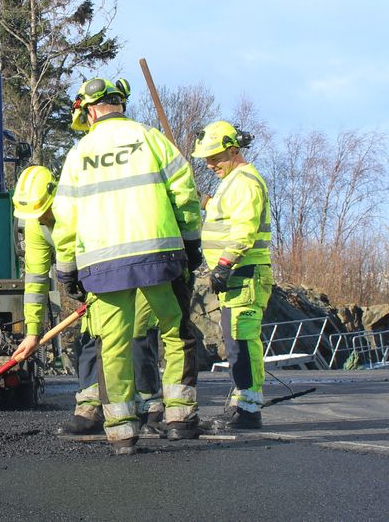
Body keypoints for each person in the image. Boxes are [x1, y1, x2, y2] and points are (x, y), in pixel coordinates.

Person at [51, 78, 205, 455]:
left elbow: (65, 221)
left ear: (88, 111)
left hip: (102, 265)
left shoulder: (78, 155)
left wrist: (67, 270)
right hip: (159, 256)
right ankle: (180, 419)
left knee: (113, 344)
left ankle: (121, 433)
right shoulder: (151, 139)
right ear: (120, 103)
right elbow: (184, 194)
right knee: (174, 331)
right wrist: (191, 242)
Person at [10, 166, 164, 436]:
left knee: (137, 336)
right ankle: (90, 410)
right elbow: (35, 281)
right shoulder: (36, 225)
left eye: (45, 211)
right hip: (90, 286)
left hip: (129, 274)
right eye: (36, 215)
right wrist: (33, 331)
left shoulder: (87, 207)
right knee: (90, 340)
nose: (43, 218)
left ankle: (149, 408)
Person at [192, 120, 272, 429]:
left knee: (242, 338)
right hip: (236, 276)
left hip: (244, 273)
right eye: (207, 159)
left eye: (215, 158)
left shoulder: (245, 182)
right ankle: (243, 402)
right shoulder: (232, 182)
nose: (210, 164)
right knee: (235, 338)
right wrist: (204, 202)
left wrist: (225, 263)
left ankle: (249, 410)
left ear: (233, 150)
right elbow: (225, 214)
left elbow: (244, 227)